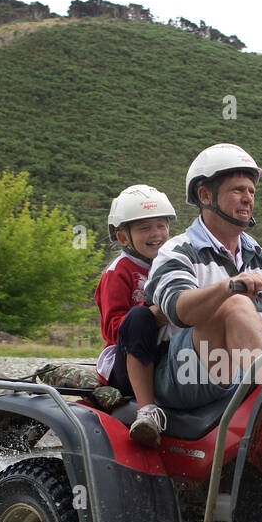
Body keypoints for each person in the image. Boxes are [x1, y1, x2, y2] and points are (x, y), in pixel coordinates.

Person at [144, 144, 262, 410]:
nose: (248, 198)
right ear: (205, 195)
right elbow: (178, 309)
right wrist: (228, 288)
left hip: (238, 363)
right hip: (184, 372)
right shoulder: (177, 251)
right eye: (238, 190)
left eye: (251, 191)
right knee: (235, 302)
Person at [93, 184, 175, 446]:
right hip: (124, 361)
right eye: (144, 228)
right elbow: (112, 329)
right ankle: (146, 409)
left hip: (162, 351)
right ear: (123, 238)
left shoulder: (173, 264)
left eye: (161, 225)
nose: (156, 234)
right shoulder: (118, 272)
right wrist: (150, 314)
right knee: (138, 318)